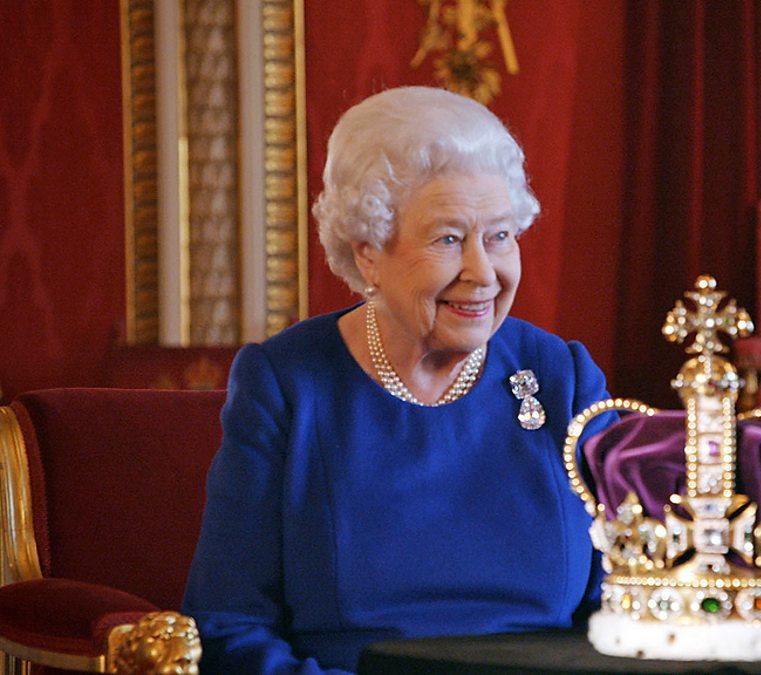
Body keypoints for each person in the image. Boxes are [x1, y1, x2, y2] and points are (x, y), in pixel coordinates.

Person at [182, 87, 613, 673]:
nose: (483, 273)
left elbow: (625, 602)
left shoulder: (562, 377)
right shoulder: (287, 385)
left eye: (500, 236)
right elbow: (228, 623)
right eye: (448, 239)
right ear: (368, 255)